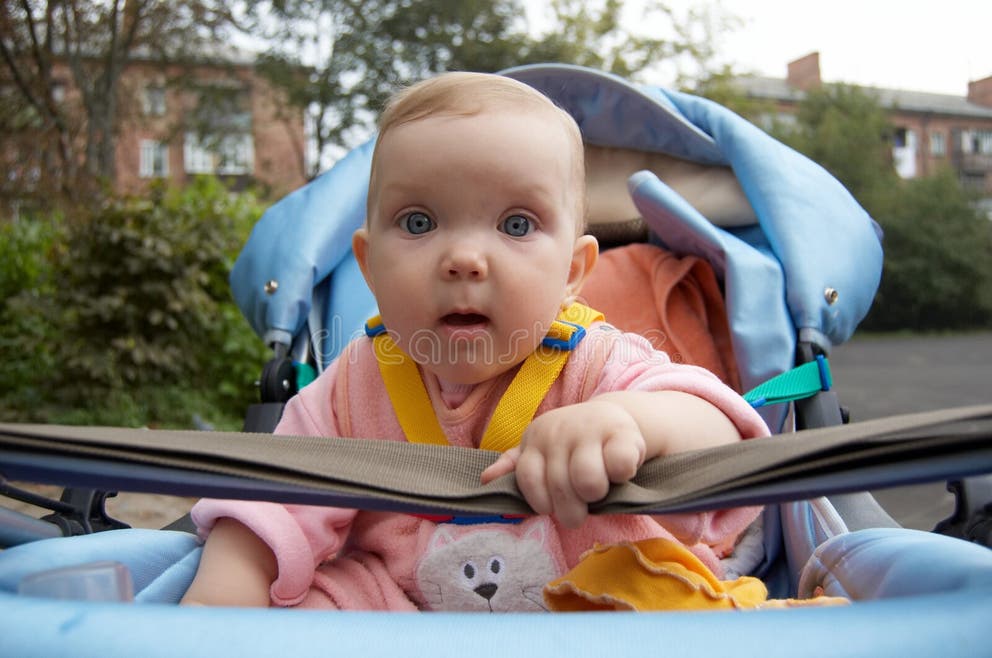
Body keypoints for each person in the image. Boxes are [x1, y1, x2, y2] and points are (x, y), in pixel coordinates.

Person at [180, 72, 770, 612]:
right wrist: (220, 609)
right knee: (307, 595)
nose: (463, 259)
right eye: (418, 222)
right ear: (369, 264)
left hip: (604, 606)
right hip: (406, 611)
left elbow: (721, 431)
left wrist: (628, 421)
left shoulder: (595, 364)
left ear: (572, 271)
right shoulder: (353, 385)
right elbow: (272, 502)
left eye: (516, 225)